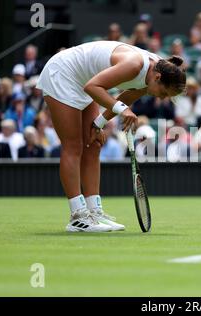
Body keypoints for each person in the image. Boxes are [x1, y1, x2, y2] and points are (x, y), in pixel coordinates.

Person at [36, 40, 186, 232]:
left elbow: (127, 97)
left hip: (83, 80)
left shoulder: (155, 72)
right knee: (74, 146)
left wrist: (98, 124)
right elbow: (93, 87)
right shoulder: (135, 65)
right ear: (157, 77)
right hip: (63, 74)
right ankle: (78, 217)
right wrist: (123, 111)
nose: (163, 98)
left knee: (94, 144)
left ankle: (94, 212)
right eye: (164, 93)